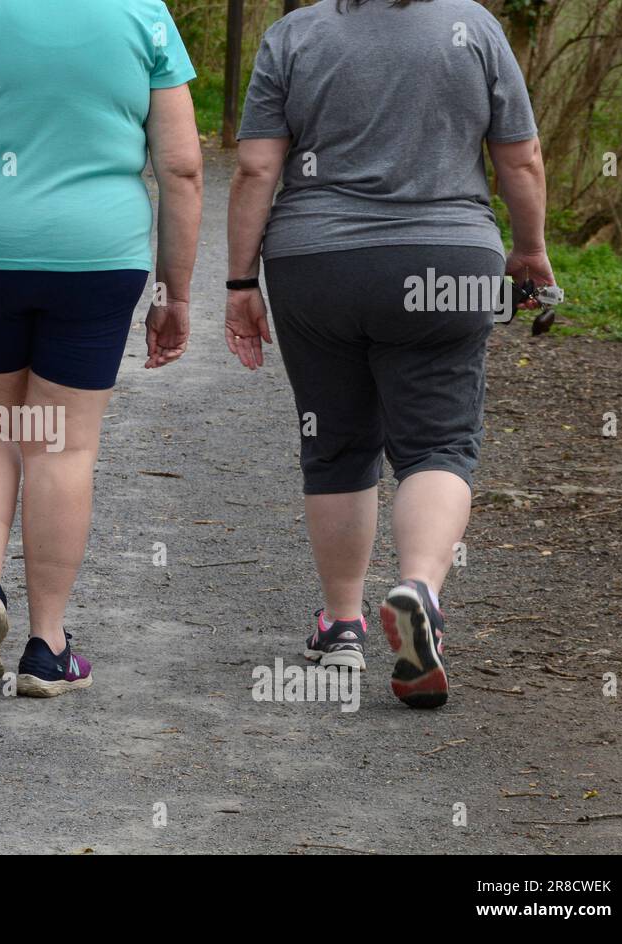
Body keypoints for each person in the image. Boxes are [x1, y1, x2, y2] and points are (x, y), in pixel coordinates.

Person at [225, 0, 553, 708]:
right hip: (448, 256)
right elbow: (519, 156)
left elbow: (255, 169)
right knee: (437, 443)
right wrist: (529, 250)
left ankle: (342, 626)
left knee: (336, 441)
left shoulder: (295, 35)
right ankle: (418, 592)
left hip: (318, 264)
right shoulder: (475, 29)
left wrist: (240, 280)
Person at [0, 0, 203, 696]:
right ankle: (47, 647)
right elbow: (182, 166)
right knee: (63, 446)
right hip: (98, 254)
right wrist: (174, 290)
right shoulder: (145, 17)